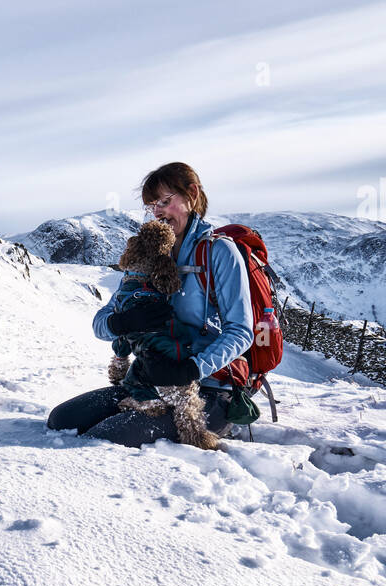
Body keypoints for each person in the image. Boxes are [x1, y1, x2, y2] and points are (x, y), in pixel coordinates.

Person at [47, 162, 254, 448]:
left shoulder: (218, 251)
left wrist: (191, 369)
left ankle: (214, 424)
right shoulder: (151, 253)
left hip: (207, 388)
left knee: (103, 439)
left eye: (165, 201)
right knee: (61, 420)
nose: (157, 212)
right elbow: (101, 321)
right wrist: (122, 323)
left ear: (191, 194)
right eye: (152, 205)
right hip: (148, 382)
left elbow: (241, 332)